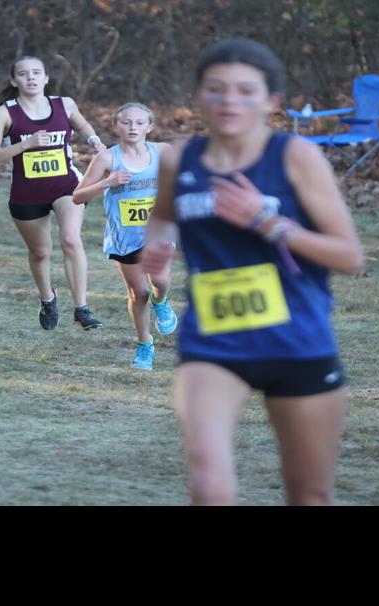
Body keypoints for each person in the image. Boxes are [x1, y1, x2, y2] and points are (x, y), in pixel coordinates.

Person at [140, 39, 365, 505]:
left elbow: (349, 257)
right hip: (213, 342)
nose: (229, 102)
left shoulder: (295, 157)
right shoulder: (179, 159)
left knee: (309, 495)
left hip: (297, 341)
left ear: (271, 101)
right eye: (216, 90)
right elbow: (162, 214)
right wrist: (157, 244)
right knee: (207, 486)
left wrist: (270, 223)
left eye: (246, 91)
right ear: (198, 96)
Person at [0, 56, 108, 331]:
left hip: (66, 186)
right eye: (24, 74)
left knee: (71, 240)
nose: (31, 78)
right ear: (15, 81)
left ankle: (81, 309)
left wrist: (93, 139)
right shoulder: (4, 113)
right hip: (27, 193)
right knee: (40, 252)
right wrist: (26, 144)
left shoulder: (65, 104)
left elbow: (82, 125)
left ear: (46, 78)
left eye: (36, 73)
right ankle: (48, 298)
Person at [73, 102, 177, 369]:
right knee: (139, 293)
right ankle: (145, 344)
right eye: (127, 122)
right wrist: (108, 182)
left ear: (149, 127)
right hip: (124, 236)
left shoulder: (163, 151)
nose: (133, 127)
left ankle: (162, 302)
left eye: (140, 123)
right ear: (117, 126)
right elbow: (77, 196)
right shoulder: (108, 158)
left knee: (161, 281)